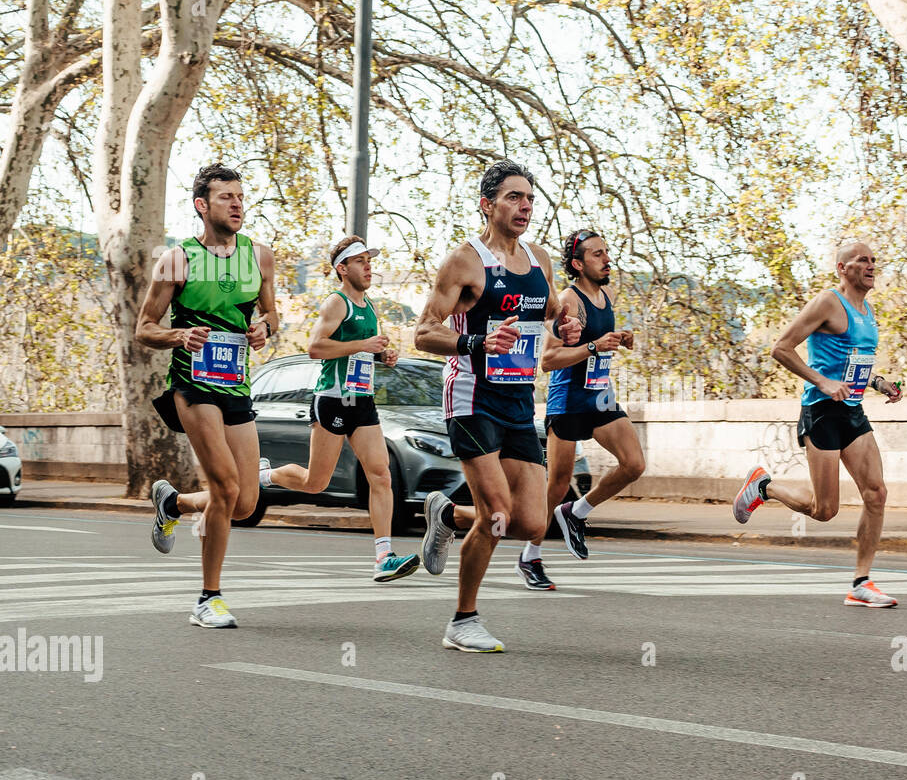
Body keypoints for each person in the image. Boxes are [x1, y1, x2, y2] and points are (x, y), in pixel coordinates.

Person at [413, 160, 581, 651]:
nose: (525, 205)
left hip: (517, 402)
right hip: (470, 397)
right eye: (513, 197)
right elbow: (423, 331)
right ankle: (462, 620)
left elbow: (553, 311)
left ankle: (447, 517)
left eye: (529, 198)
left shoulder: (540, 258)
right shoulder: (466, 261)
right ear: (488, 204)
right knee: (498, 514)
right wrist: (477, 343)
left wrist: (568, 327)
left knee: (532, 522)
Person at [137, 164, 278, 629]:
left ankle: (173, 503)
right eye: (227, 198)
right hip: (193, 386)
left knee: (245, 502)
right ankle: (208, 598)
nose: (238, 205)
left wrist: (264, 330)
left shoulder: (260, 256)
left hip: (236, 384)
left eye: (241, 197)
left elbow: (272, 316)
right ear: (202, 205)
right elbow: (145, 329)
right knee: (226, 487)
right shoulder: (177, 259)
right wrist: (178, 336)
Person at [733, 241, 902, 607]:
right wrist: (821, 382)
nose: (871, 265)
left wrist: (878, 383)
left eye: (874, 260)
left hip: (852, 410)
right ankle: (765, 487)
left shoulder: (868, 311)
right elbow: (781, 347)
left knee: (877, 493)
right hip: (822, 410)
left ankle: (861, 583)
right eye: (862, 260)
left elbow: (855, 363)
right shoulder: (828, 302)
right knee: (824, 510)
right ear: (842, 268)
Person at [258, 236, 419, 582]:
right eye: (360, 261)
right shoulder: (336, 302)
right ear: (342, 269)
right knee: (316, 482)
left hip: (362, 400)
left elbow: (358, 351)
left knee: (381, 474)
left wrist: (381, 356)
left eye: (369, 260)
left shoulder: (369, 305)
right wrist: (364, 344)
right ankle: (265, 476)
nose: (369, 266)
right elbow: (316, 347)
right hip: (332, 399)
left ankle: (383, 557)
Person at [516, 229, 644, 590]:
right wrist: (594, 346)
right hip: (568, 401)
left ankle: (577, 513)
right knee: (556, 485)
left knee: (634, 464)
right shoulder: (569, 301)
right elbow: (549, 360)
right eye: (597, 254)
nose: (607, 259)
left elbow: (601, 342)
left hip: (600, 397)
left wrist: (622, 340)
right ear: (577, 263)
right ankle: (530, 556)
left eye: (607, 252)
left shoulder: (605, 295)